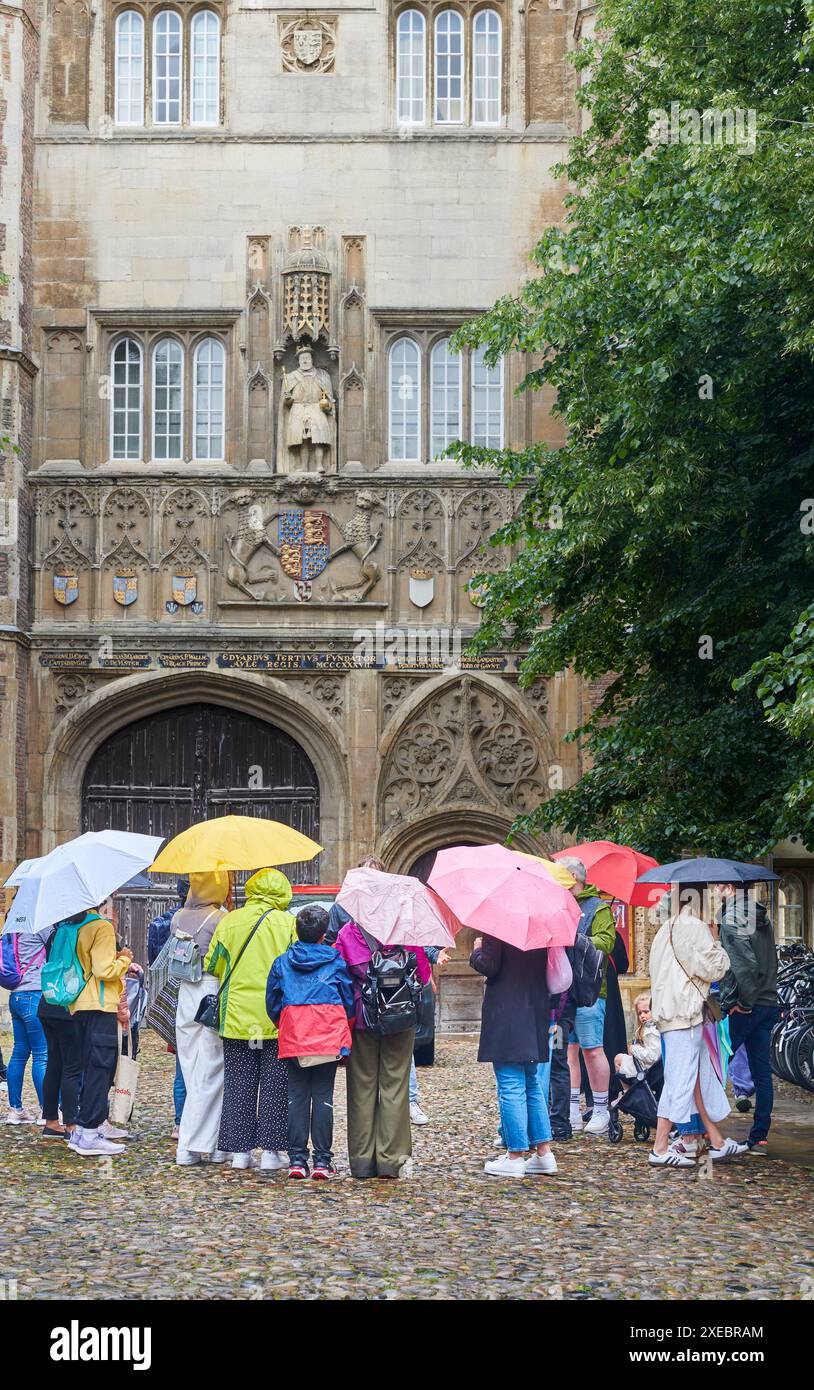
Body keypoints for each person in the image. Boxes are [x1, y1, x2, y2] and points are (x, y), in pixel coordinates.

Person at [204, 868, 295, 1171]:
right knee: (275, 1084)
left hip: (237, 1016)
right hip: (275, 1016)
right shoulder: (288, 923)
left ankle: (240, 1152)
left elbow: (213, 964)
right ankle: (271, 1152)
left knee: (239, 1082)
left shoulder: (230, 921)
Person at [648, 888, 746, 1167]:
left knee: (696, 1077)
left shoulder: (665, 929)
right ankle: (660, 1147)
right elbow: (716, 969)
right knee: (680, 1078)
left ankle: (715, 1140)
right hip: (685, 1014)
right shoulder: (694, 928)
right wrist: (716, 941)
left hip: (673, 1012)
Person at [335, 915, 431, 1179]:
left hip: (362, 1019)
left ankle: (362, 1161)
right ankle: (391, 1159)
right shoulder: (408, 932)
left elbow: (338, 977)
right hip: (400, 1019)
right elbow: (422, 975)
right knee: (395, 1086)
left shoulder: (348, 933)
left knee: (361, 1088)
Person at [266, 905, 354, 1179]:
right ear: (323, 934)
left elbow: (272, 1002)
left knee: (297, 1097)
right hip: (327, 1034)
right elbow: (348, 1001)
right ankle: (322, 1162)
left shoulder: (282, 962)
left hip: (295, 1034)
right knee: (323, 1096)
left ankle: (296, 1160)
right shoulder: (336, 961)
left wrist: (285, 1024)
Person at [470, 933, 556, 1178]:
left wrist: (476, 951)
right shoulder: (539, 922)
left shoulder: (499, 924)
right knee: (531, 1083)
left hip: (508, 1010)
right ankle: (543, 1153)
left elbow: (490, 965)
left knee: (510, 1083)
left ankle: (515, 1155)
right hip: (535, 1006)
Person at [715, 882, 780, 1152]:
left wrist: (743, 1003)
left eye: (718, 886)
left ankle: (702, 1130)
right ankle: (759, 1136)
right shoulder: (759, 916)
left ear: (729, 887)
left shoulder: (732, 919)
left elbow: (745, 966)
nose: (715, 890)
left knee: (716, 1066)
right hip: (768, 1001)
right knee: (762, 1073)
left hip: (749, 1005)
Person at [172, 872, 230, 1167]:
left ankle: (206, 1141)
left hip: (186, 991)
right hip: (210, 989)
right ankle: (197, 1144)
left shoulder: (178, 916)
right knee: (213, 1069)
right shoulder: (220, 918)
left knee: (191, 1066)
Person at [68, 900, 133, 1157]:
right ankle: (91, 1134)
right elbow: (104, 970)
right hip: (101, 1004)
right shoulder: (100, 927)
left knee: (87, 1067)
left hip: (78, 1004)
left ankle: (82, 1131)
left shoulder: (73, 926)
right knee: (100, 1069)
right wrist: (124, 960)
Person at [557, 856, 616, 1136]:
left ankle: (601, 1109)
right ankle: (570, 1109)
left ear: (573, 877)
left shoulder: (598, 908)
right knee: (568, 1051)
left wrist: (577, 939)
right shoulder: (558, 905)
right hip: (562, 991)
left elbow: (607, 943)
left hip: (591, 990)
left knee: (592, 1050)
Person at [147, 878, 190, 1140]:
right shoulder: (209, 919)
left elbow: (155, 961)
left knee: (180, 1063)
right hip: (195, 993)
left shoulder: (162, 922)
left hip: (170, 995)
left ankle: (179, 1122)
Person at [38, 916, 84, 1140]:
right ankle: (71, 1125)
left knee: (54, 1063)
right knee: (72, 1067)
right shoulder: (76, 933)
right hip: (67, 1004)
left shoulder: (54, 933)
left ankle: (51, 1121)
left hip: (47, 1002)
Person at [5, 926, 52, 1125]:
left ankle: (15, 1110)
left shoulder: (13, 926)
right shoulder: (41, 924)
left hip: (15, 995)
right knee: (42, 1055)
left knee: (18, 1053)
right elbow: (56, 947)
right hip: (34, 993)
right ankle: (46, 1111)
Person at [615, 992, 661, 1080]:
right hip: (646, 1066)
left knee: (618, 1059)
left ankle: (630, 1092)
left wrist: (634, 1049)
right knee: (620, 1058)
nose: (642, 1016)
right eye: (639, 1013)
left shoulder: (652, 1032)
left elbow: (653, 1057)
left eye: (646, 1012)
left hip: (649, 1069)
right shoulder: (646, 1029)